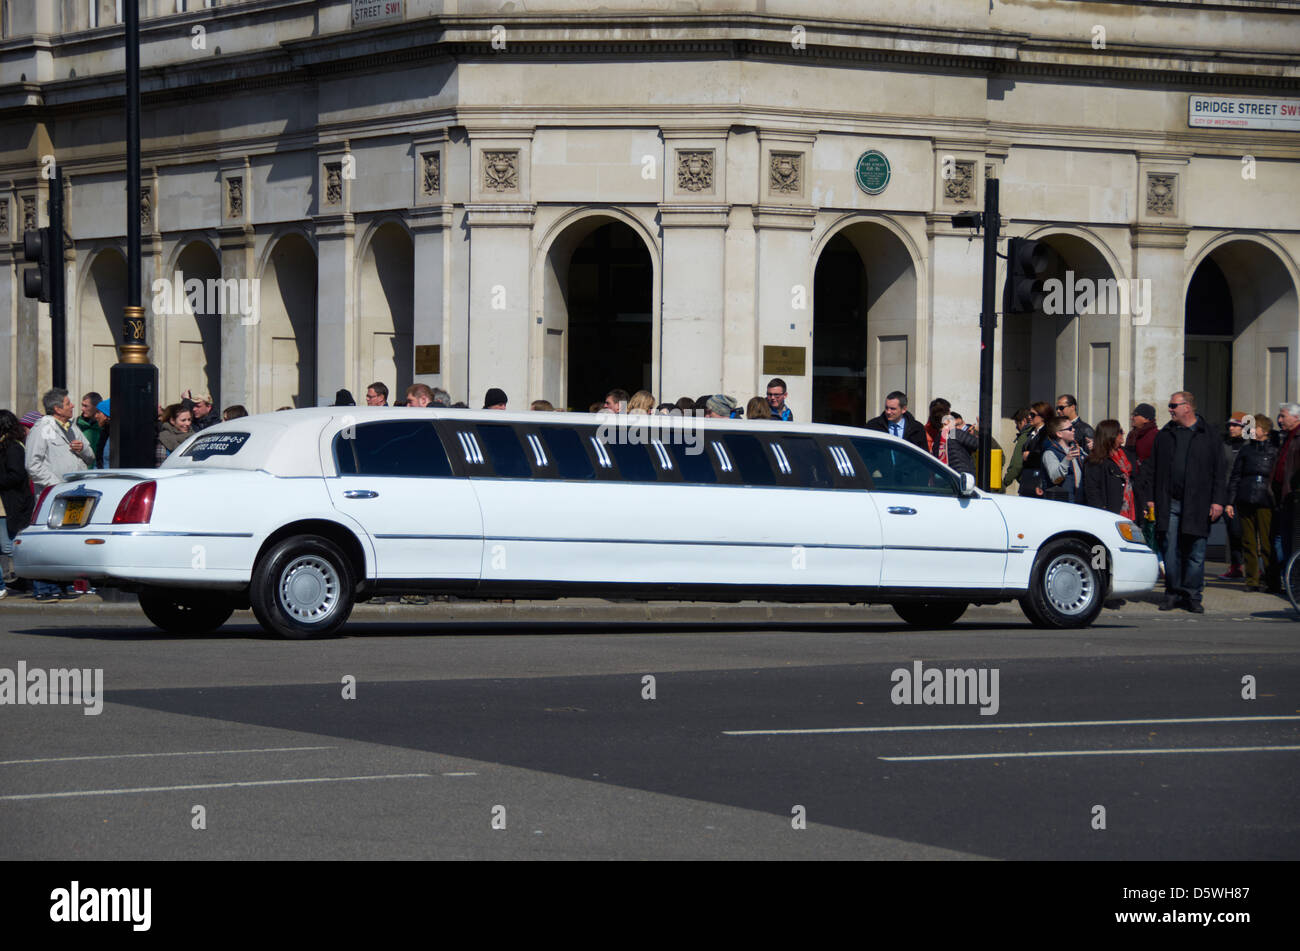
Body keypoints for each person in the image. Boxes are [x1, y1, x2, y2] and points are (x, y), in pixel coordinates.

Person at [1149, 391, 1226, 613]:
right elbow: (1153, 468)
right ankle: (1172, 593)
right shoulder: (1166, 434)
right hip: (1170, 501)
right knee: (1170, 549)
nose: (1170, 409)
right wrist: (1151, 499)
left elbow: (1220, 471)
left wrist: (1218, 501)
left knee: (1196, 552)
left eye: (1173, 405)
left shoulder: (1208, 434)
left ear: (1187, 407)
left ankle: (1192, 595)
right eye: (1170, 405)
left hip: (1199, 503)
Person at [25, 389, 95, 601]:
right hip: (52, 495)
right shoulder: (43, 428)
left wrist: (82, 448)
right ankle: (44, 588)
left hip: (74, 494)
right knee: (47, 541)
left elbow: (91, 456)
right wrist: (54, 485)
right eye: (67, 403)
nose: (72, 406)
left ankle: (65, 585)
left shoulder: (72, 428)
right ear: (56, 409)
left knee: (66, 542)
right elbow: (32, 464)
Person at [1226, 414, 1279, 592]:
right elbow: (1236, 476)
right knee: (1248, 541)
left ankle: (1272, 580)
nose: (1252, 431)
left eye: (1255, 427)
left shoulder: (1273, 450)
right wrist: (1230, 502)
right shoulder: (1246, 450)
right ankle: (1252, 580)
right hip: (1245, 496)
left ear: (1264, 430)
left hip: (1265, 498)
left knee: (1266, 542)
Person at [0, 410, 34, 600]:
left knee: (10, 545)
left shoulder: (13, 447)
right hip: (7, 503)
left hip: (14, 502)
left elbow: (16, 475)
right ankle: (24, 579)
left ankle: (30, 579)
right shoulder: (6, 446)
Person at [1217, 412, 1250, 579]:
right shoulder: (1224, 445)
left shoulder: (1250, 445)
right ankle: (1236, 566)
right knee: (1233, 532)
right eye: (1230, 425)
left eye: (1236, 425)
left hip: (1246, 494)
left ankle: (1252, 567)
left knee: (1246, 532)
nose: (1231, 428)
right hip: (1226, 494)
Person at [1081, 420, 1135, 518]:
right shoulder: (1095, 461)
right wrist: (1102, 513)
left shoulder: (1126, 455)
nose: (1123, 434)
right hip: (1109, 513)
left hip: (1130, 511)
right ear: (1111, 435)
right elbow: (1092, 491)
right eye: (1120, 431)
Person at [1271, 402, 1300, 577]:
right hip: (1283, 496)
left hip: (1295, 496)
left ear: (1296, 417)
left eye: (1283, 416)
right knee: (1284, 539)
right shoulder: (1285, 436)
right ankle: (1290, 579)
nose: (1279, 420)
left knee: (1294, 540)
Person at [1039, 416, 1083, 502]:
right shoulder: (1050, 453)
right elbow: (1055, 478)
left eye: (1073, 427)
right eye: (1070, 428)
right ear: (1059, 434)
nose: (1073, 430)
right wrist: (1067, 459)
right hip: (1062, 501)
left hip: (1080, 500)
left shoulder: (1077, 449)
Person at [1013, 402, 1052, 497]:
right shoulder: (1031, 432)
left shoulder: (1046, 434)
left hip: (1037, 479)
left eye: (1033, 415)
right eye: (1029, 414)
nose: (1029, 417)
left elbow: (1045, 454)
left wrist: (1029, 456)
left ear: (1043, 416)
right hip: (1027, 478)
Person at [935, 411, 978, 477]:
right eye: (956, 425)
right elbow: (977, 444)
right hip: (962, 475)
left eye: (960, 424)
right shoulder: (953, 433)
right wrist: (978, 431)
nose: (958, 428)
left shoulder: (939, 436)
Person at [76, 391, 105, 466]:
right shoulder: (75, 425)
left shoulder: (105, 427)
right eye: (82, 405)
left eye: (86, 406)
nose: (82, 409)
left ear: (96, 407)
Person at [93, 399, 111, 468]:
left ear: (107, 415)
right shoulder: (104, 434)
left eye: (98, 412)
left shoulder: (117, 437)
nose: (96, 416)